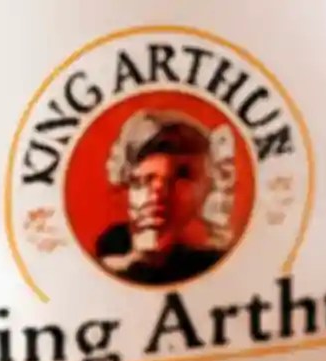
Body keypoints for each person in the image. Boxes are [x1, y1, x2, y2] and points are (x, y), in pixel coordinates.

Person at [96, 111, 229, 285]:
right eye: (144, 181)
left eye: (178, 179)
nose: (158, 194)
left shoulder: (217, 265)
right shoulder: (100, 265)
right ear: (126, 188)